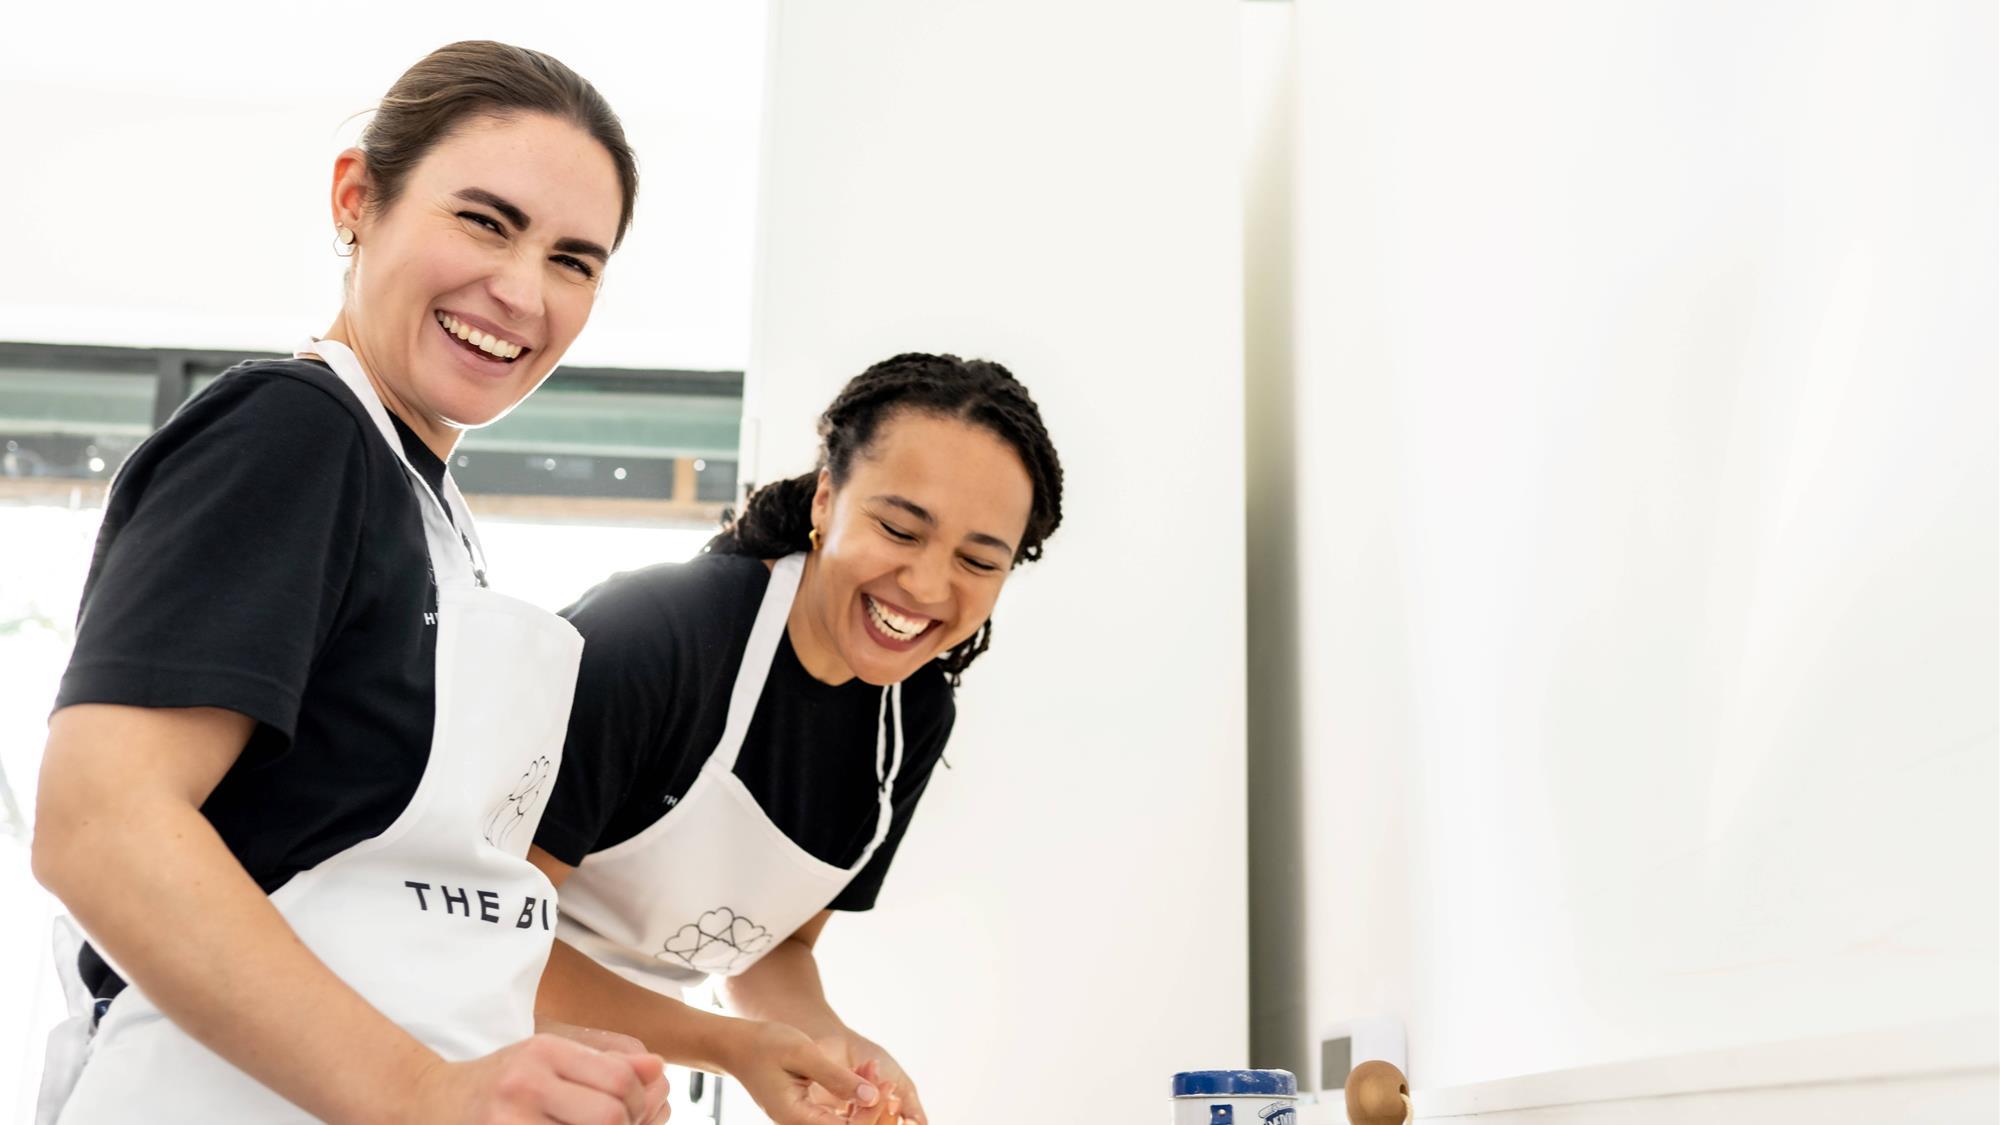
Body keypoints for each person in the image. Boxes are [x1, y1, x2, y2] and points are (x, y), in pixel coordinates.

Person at [32, 41, 669, 1125]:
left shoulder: (429, 516)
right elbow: (101, 823)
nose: (520, 291)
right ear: (357, 200)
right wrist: (423, 1088)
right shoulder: (293, 434)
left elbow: (377, 905)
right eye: (484, 221)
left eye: (574, 259)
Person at [529, 353, 1066, 1125]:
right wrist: (730, 1046)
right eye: (899, 528)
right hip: (452, 1040)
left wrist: (832, 1049)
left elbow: (771, 948)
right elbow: (479, 924)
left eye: (979, 560)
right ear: (826, 497)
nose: (924, 586)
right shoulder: (658, 634)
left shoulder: (912, 720)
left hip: (617, 1076)